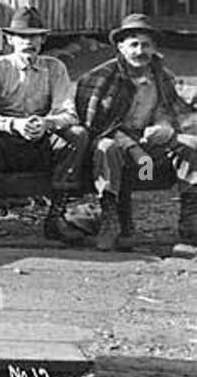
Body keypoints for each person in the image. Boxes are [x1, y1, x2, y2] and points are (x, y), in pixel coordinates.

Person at [0, 6, 89, 245]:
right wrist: (12, 124)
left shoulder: (55, 68)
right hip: (5, 142)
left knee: (77, 135)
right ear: (10, 39)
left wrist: (46, 122)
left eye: (34, 36)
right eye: (22, 36)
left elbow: (69, 113)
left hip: (40, 141)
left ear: (43, 40)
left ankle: (57, 217)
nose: (28, 42)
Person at [75, 14, 197, 255]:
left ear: (154, 48)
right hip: (114, 140)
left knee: (191, 144)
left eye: (146, 45)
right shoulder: (101, 78)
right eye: (133, 44)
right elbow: (97, 126)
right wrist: (136, 150)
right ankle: (111, 220)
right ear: (120, 47)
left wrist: (165, 128)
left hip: (149, 141)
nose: (140, 51)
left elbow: (172, 109)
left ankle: (191, 223)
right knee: (105, 148)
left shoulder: (161, 76)